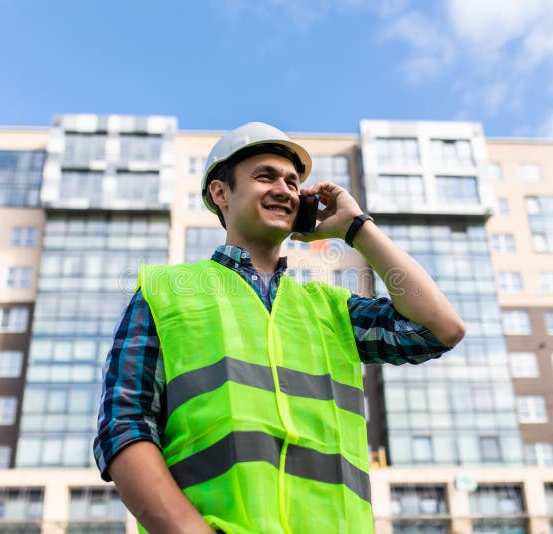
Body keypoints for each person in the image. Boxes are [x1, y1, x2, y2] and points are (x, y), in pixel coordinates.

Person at [94, 122, 465, 533]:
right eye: (264, 176)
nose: (285, 190)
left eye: (292, 182)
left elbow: (439, 328)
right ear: (221, 193)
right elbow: (124, 425)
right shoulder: (166, 292)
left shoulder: (330, 307)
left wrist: (356, 228)